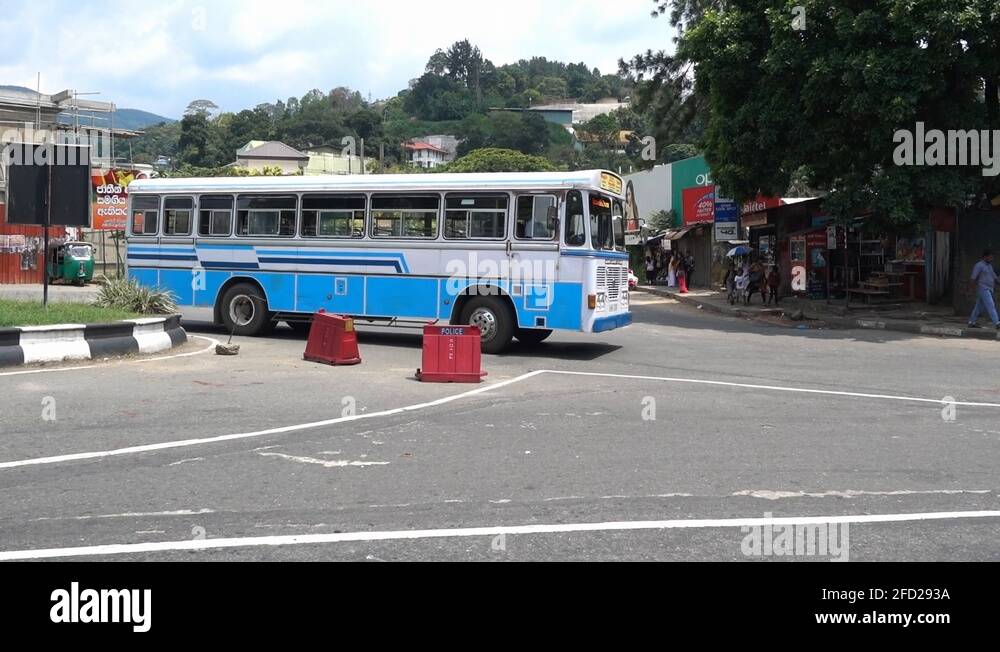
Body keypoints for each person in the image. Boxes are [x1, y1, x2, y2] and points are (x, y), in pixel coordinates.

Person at [968, 249, 1000, 329]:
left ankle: (971, 322)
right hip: (983, 289)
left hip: (989, 289)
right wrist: (970, 290)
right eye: (990, 257)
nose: (992, 259)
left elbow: (994, 277)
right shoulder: (979, 265)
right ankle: (997, 323)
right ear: (985, 257)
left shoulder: (989, 266)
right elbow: (973, 278)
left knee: (978, 307)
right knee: (991, 305)